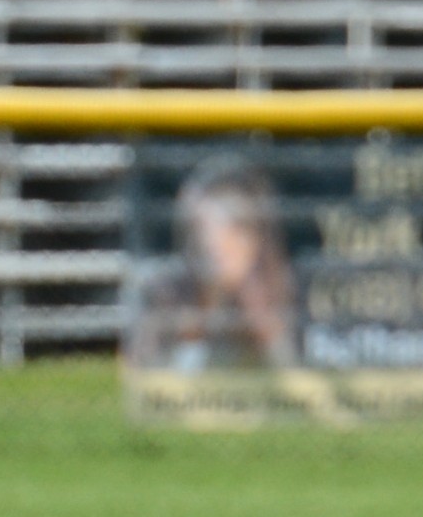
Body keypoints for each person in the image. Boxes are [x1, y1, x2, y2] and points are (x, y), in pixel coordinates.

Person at [123, 159, 299, 373]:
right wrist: (195, 329)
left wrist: (267, 330)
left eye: (238, 230)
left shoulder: (283, 289)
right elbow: (141, 385)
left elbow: (296, 385)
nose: (219, 248)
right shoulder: (159, 291)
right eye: (205, 231)